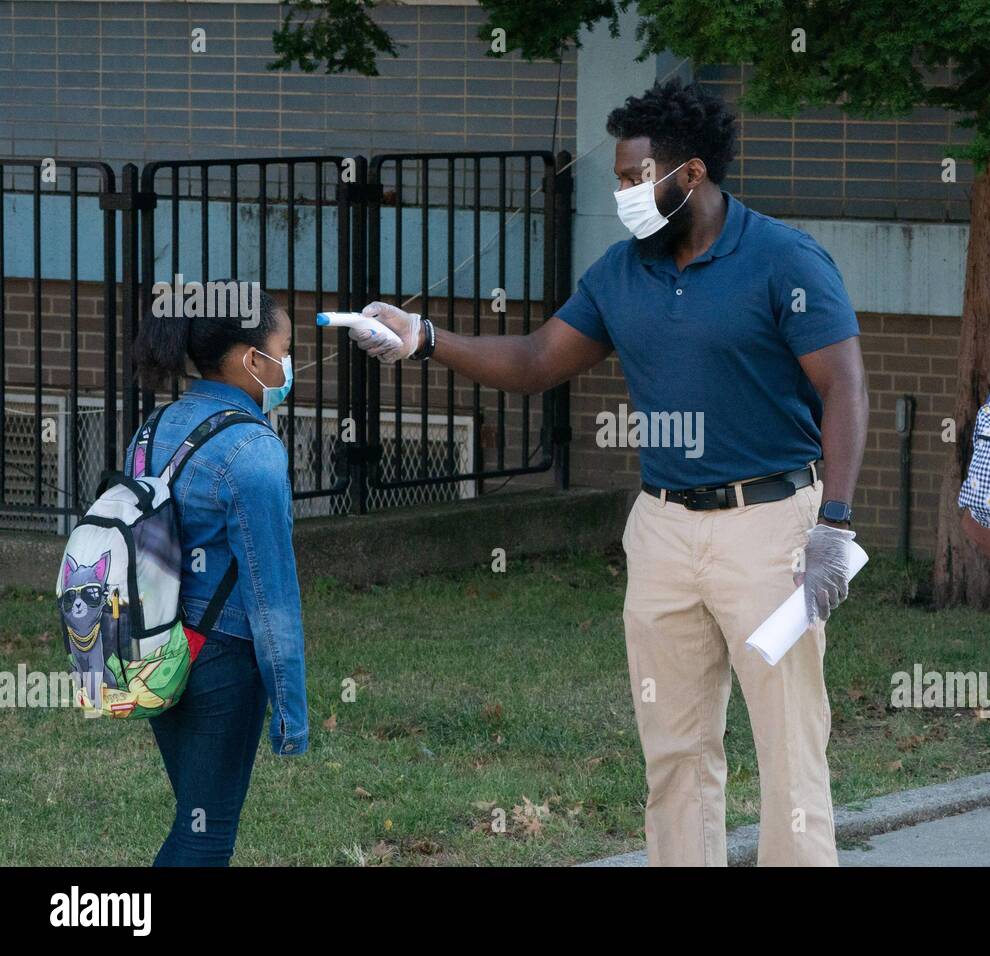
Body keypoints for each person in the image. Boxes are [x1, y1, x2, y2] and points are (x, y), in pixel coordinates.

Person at [350, 79, 869, 866]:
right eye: (619, 179)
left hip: (770, 528)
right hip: (662, 529)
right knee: (674, 757)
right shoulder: (621, 273)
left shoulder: (783, 259)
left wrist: (833, 524)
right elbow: (533, 360)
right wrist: (425, 338)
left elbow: (846, 388)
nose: (624, 193)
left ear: (688, 175)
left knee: (789, 757)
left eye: (635, 178)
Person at [131, 285, 308, 866]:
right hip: (219, 664)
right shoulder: (253, 451)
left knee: (196, 820)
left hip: (152, 648)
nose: (290, 365)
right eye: (285, 349)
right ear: (250, 359)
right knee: (203, 838)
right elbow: (271, 596)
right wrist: (291, 714)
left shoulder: (154, 429)